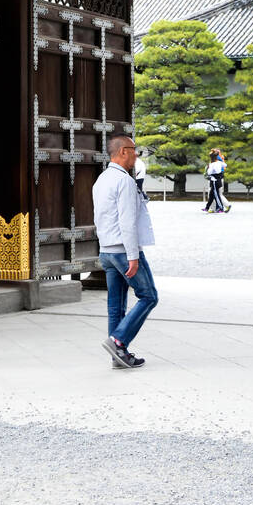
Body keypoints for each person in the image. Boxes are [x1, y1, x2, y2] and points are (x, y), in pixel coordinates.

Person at [93, 134, 157, 368]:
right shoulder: (124, 181)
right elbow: (127, 222)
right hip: (123, 250)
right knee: (149, 296)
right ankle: (118, 341)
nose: (136, 154)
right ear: (122, 151)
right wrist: (133, 256)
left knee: (115, 304)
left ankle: (118, 356)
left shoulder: (101, 179)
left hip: (107, 250)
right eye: (133, 149)